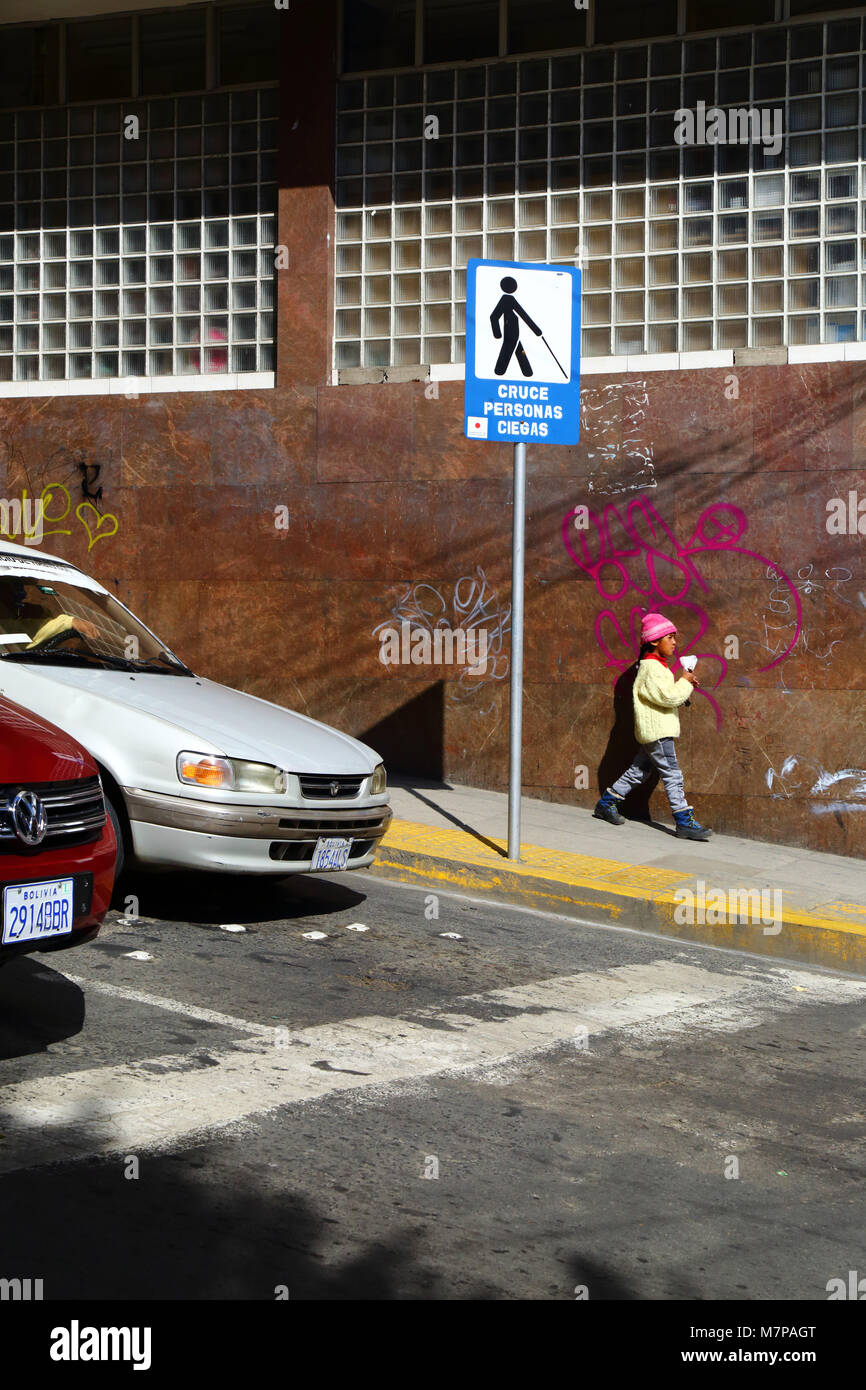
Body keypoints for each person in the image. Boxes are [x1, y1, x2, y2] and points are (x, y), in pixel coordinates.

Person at [593, 612, 712, 841]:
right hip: (658, 733)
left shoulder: (657, 667)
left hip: (653, 732)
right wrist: (684, 683)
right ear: (655, 641)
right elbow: (668, 698)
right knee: (672, 775)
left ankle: (606, 804)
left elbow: (664, 696)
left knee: (639, 771)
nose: (675, 642)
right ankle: (684, 821)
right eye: (670, 637)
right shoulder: (651, 667)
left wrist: (684, 685)